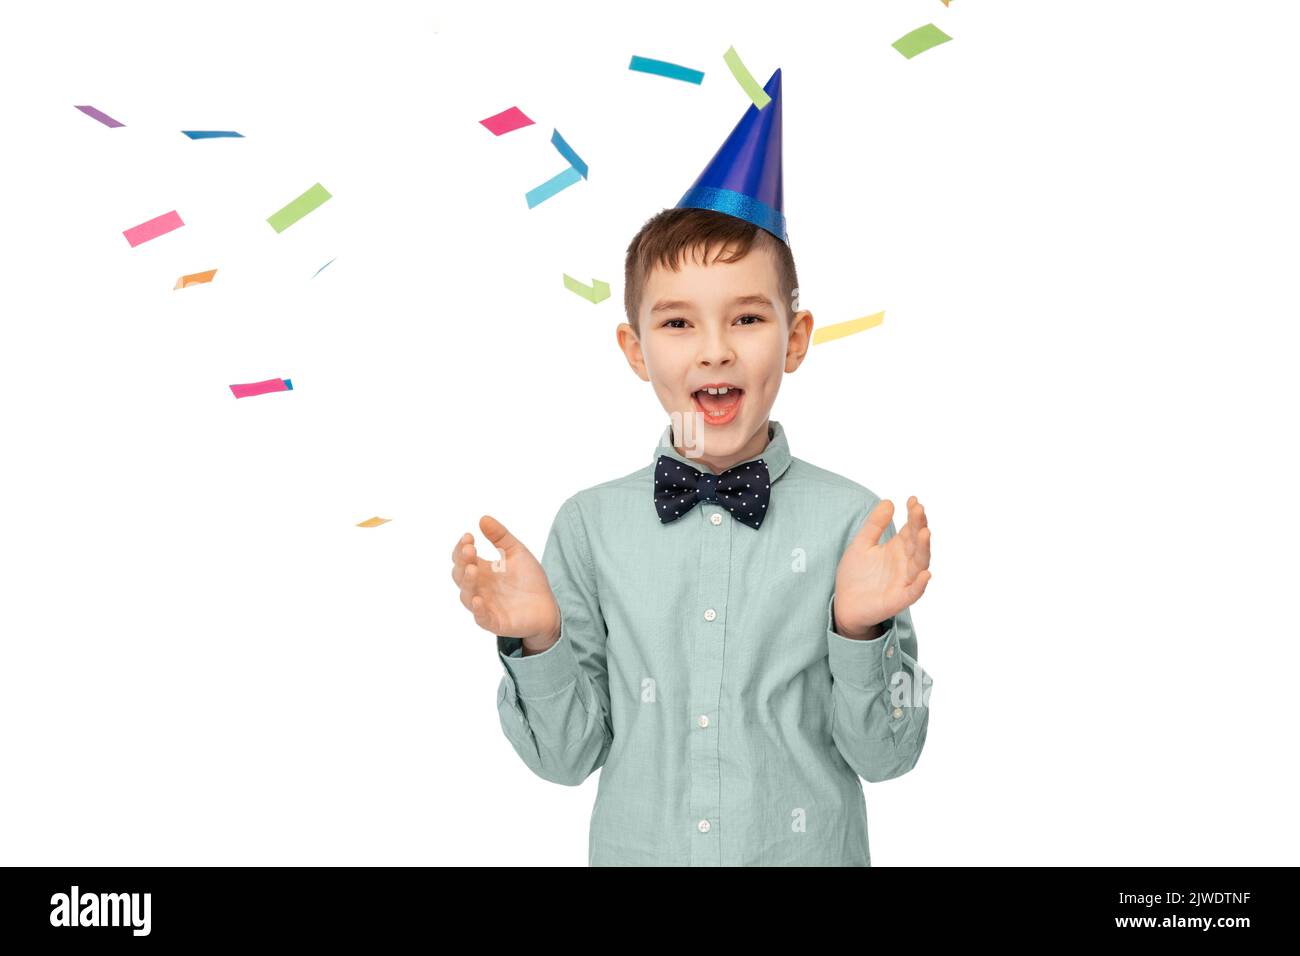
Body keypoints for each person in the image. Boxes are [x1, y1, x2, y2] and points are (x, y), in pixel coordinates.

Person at [451, 68, 933, 865]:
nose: (715, 347)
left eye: (748, 317)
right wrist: (539, 641)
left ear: (797, 337)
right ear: (636, 350)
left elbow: (889, 756)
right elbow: (566, 760)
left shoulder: (858, 525)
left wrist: (859, 628)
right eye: (678, 322)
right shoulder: (589, 526)